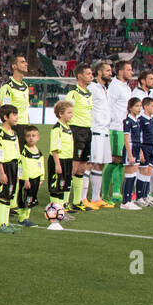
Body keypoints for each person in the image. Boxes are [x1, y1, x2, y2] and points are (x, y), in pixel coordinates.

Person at [65, 64, 95, 212]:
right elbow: (65, 112)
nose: (91, 76)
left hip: (87, 131)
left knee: (82, 167)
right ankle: (64, 202)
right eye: (88, 73)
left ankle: (77, 201)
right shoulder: (73, 93)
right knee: (73, 167)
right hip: (76, 130)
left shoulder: (89, 94)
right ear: (80, 76)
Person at [103, 59, 133, 203]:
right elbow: (108, 106)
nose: (131, 72)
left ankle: (116, 191)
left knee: (121, 161)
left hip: (123, 128)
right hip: (115, 128)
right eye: (128, 70)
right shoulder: (115, 86)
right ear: (121, 72)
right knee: (115, 160)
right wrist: (115, 122)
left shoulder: (126, 87)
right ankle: (105, 194)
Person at [87, 61, 114, 208]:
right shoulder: (92, 88)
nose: (110, 73)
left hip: (105, 130)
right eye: (108, 71)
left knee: (101, 164)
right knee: (91, 163)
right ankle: (83, 198)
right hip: (95, 130)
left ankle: (96, 198)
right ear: (99, 72)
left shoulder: (105, 89)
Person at [0, 104, 22, 233]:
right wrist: (2, 172)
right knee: (3, 195)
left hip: (14, 166)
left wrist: (19, 171)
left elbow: (17, 152)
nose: (16, 117)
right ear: (5, 117)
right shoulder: (0, 134)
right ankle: (0, 224)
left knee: (9, 195)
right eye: (14, 115)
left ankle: (6, 222)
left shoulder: (14, 133)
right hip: (4, 166)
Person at [47, 99, 75, 217]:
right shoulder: (57, 128)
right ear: (60, 114)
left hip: (67, 160)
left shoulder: (67, 127)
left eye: (71, 112)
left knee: (63, 186)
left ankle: (61, 210)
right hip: (58, 160)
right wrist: (57, 164)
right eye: (69, 113)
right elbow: (54, 148)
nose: (71, 115)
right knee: (56, 186)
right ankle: (55, 212)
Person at [16, 125, 43, 225]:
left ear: (38, 137)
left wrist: (42, 178)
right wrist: (26, 179)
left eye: (33, 135)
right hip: (26, 180)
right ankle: (22, 218)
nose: (31, 138)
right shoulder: (24, 152)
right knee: (24, 199)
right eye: (28, 136)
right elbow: (23, 166)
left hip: (36, 179)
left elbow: (41, 165)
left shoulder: (39, 152)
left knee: (31, 199)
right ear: (25, 138)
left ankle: (27, 217)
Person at [120, 97, 142, 209]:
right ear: (130, 107)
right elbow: (126, 139)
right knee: (129, 175)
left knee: (133, 175)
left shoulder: (136, 121)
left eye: (140, 106)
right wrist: (130, 154)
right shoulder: (127, 121)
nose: (139, 108)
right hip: (131, 148)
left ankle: (129, 199)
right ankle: (125, 202)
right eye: (137, 106)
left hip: (137, 148)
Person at [137, 96, 153, 205]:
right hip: (144, 147)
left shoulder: (152, 120)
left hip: (151, 147)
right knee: (143, 171)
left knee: (149, 171)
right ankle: (139, 196)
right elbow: (138, 136)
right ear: (145, 107)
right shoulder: (141, 120)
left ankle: (145, 195)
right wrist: (140, 151)